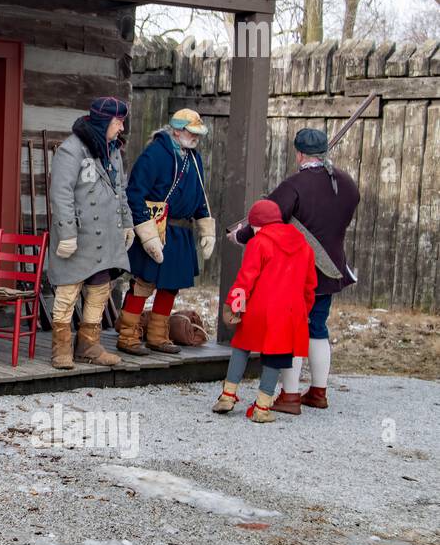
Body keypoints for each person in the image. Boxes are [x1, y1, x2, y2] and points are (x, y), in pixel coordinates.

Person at [229, 128, 360, 413]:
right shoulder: (347, 183)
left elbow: (267, 221)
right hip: (331, 268)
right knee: (317, 328)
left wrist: (240, 236)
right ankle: (319, 392)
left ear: (299, 153)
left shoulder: (294, 186)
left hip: (293, 272)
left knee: (292, 330)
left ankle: (289, 396)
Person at [47, 97, 138, 371]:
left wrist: (127, 223)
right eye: (117, 122)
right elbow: (60, 193)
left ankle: (88, 346)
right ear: (103, 121)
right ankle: (61, 349)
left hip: (106, 237)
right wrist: (66, 233)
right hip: (79, 235)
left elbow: (120, 191)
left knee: (99, 290)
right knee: (68, 291)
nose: (121, 127)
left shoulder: (113, 152)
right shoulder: (71, 150)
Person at [118, 109, 216, 355]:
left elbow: (200, 194)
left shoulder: (194, 158)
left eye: (197, 134)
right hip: (157, 229)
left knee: (170, 286)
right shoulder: (155, 155)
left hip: (181, 233)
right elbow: (135, 194)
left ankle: (157, 335)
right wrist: (146, 233)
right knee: (143, 283)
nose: (195, 138)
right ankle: (128, 335)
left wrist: (205, 225)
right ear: (176, 130)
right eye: (191, 132)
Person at [214, 199, 317, 423]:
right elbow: (310, 285)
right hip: (289, 312)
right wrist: (303, 310)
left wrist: (235, 301)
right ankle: (262, 407)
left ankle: (227, 396)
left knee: (241, 346)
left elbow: (246, 278)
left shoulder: (258, 242)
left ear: (257, 224)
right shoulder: (304, 246)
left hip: (259, 308)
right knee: (276, 355)